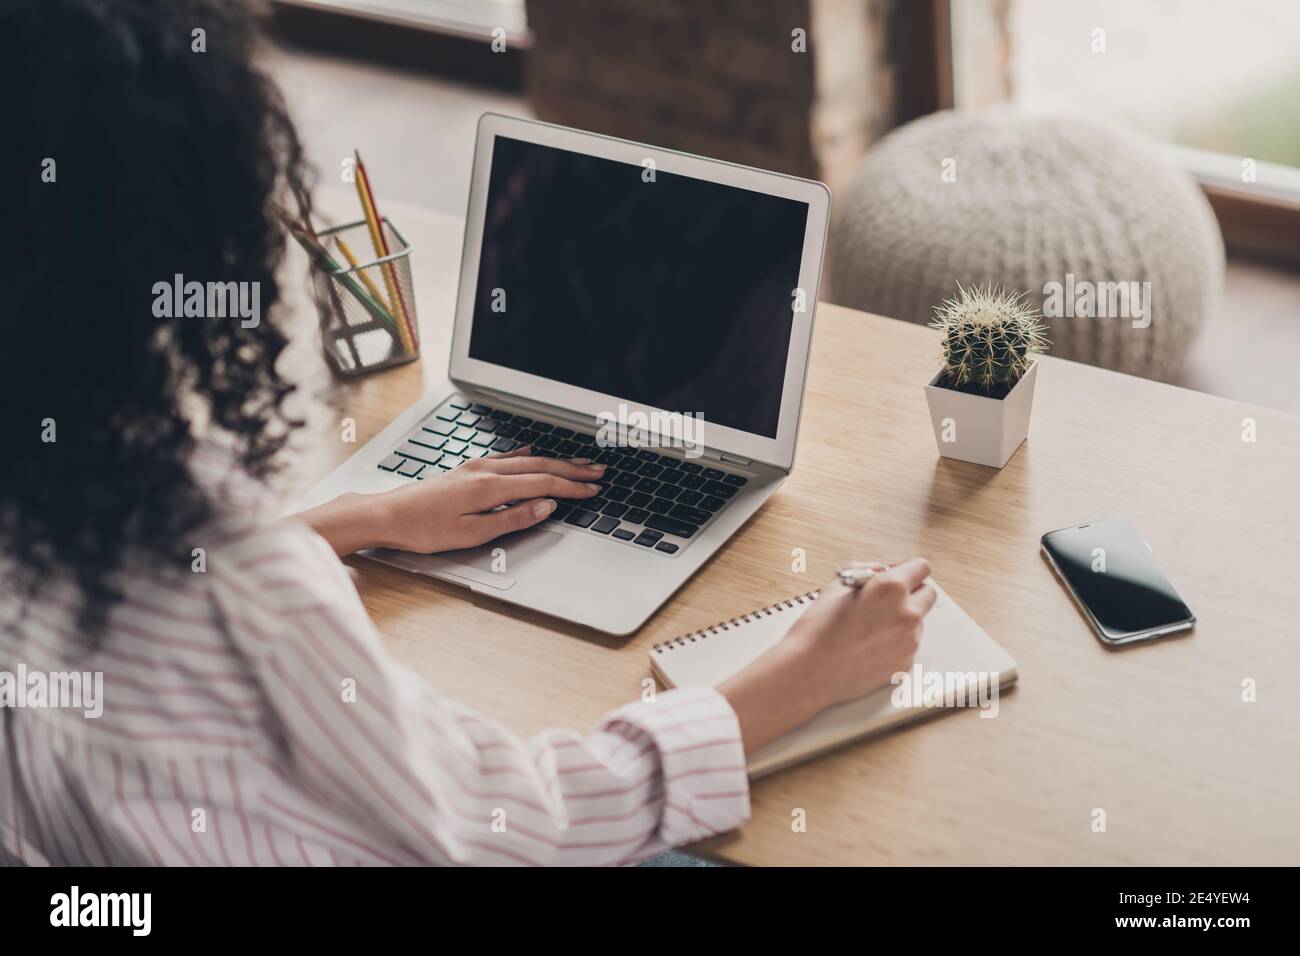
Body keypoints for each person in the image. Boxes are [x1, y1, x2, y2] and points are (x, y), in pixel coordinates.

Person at [0, 0, 935, 866]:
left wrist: (358, 519)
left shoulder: (58, 513)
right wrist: (797, 678)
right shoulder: (248, 595)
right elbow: (505, 830)